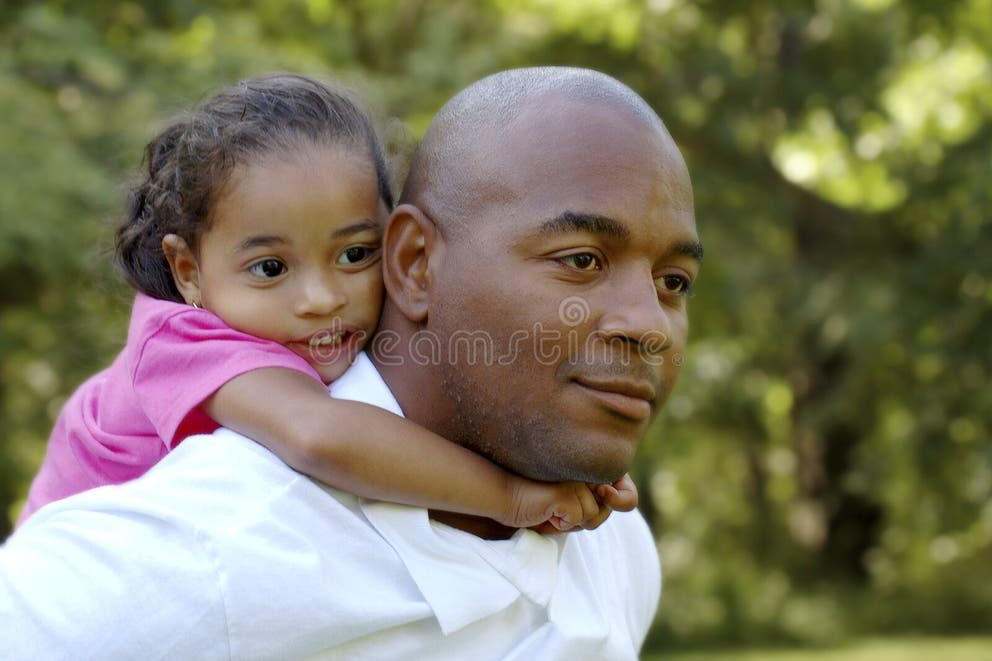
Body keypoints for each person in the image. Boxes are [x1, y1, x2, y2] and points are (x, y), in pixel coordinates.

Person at [1, 67, 702, 659]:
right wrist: (513, 496)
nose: (650, 325)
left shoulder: (613, 548)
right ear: (415, 264)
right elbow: (318, 435)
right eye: (580, 260)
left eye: (674, 282)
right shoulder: (199, 550)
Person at [16, 73, 632, 532]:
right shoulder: (180, 342)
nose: (321, 299)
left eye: (354, 255)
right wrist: (511, 495)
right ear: (188, 270)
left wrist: (556, 448)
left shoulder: (313, 327)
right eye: (270, 268)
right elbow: (319, 434)